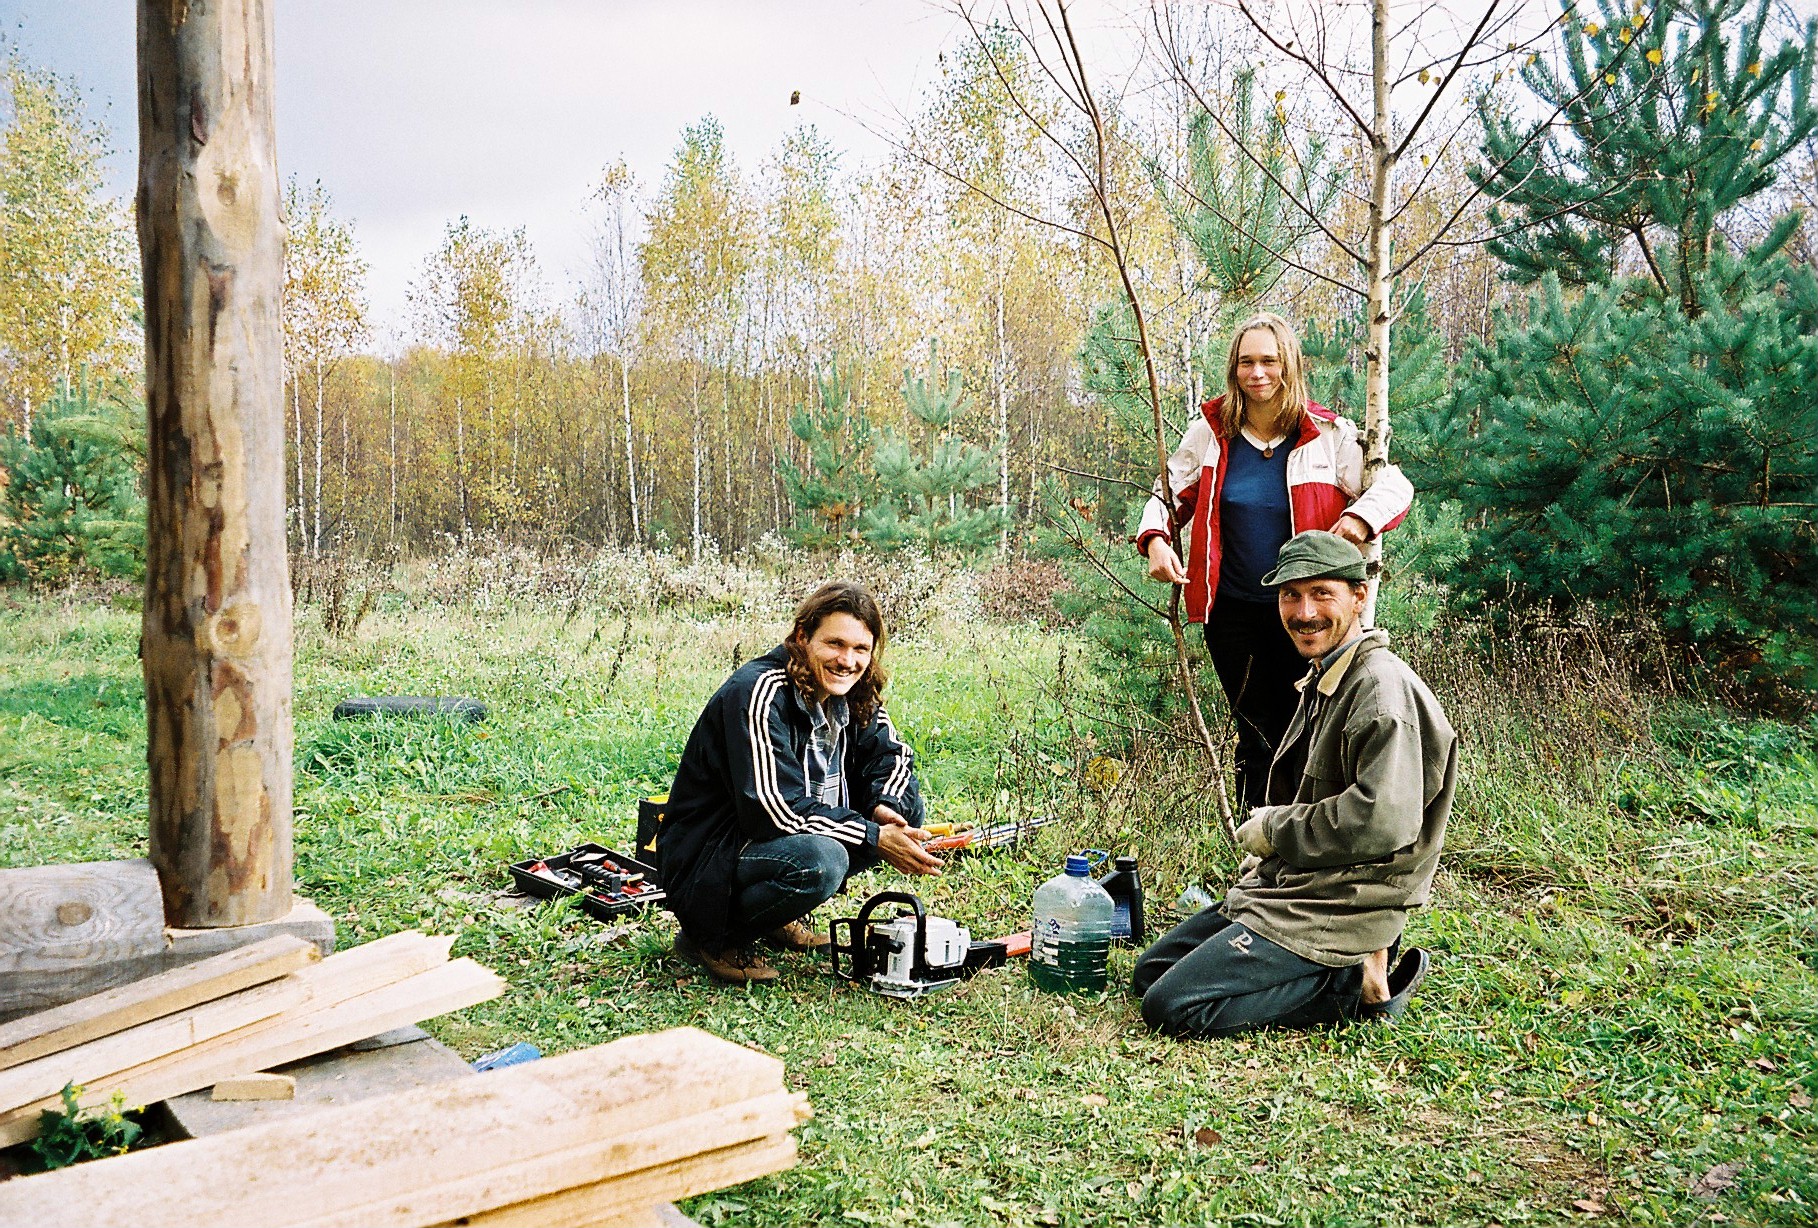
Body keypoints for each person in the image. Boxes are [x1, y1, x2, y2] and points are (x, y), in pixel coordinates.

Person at [1132, 532, 1456, 1037]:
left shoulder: (1380, 693)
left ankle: (1350, 981)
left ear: (1360, 596)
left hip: (1345, 900)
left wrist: (1276, 830)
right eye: (1291, 595)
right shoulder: (1329, 674)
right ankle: (1327, 969)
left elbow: (1382, 821)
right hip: (1297, 883)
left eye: (1322, 593)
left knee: (1172, 1007)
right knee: (1151, 974)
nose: (1304, 612)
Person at [1136, 313, 1414, 806]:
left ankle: (1314, 845)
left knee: (1312, 728)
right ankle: (1254, 847)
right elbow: (1168, 492)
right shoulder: (1211, 432)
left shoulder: (1325, 433)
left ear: (1289, 366)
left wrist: (1359, 520)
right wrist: (1156, 539)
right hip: (1234, 613)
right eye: (1247, 362)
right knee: (1256, 733)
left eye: (1270, 361)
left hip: (1308, 613)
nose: (1257, 373)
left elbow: (1395, 486)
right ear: (1233, 368)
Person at [657, 580, 942, 984]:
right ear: (803, 637)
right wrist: (873, 836)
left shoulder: (853, 690)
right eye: (835, 644)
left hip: (771, 838)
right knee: (823, 860)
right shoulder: (758, 691)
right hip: (710, 855)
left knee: (905, 806)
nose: (847, 660)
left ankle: (774, 918)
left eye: (860, 649)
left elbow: (892, 755)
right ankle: (710, 936)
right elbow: (773, 810)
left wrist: (885, 810)